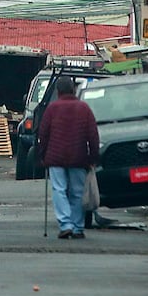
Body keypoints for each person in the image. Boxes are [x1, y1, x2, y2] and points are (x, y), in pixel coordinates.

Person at [37, 75, 100, 239]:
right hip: (79, 157)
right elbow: (93, 136)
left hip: (55, 157)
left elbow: (43, 134)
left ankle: (65, 224)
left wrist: (42, 155)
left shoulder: (52, 109)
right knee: (78, 192)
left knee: (59, 190)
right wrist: (93, 158)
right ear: (74, 90)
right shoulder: (84, 108)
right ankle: (78, 227)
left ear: (58, 91)